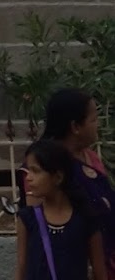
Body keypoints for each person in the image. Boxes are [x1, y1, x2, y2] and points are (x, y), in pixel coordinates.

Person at [41, 88, 115, 275]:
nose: (97, 125)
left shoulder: (92, 159)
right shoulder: (48, 168)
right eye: (93, 120)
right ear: (75, 127)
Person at [16, 137, 105, 280]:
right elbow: (21, 270)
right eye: (27, 171)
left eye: (35, 171)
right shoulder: (27, 218)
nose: (28, 178)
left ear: (58, 177)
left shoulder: (86, 219)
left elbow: (100, 274)